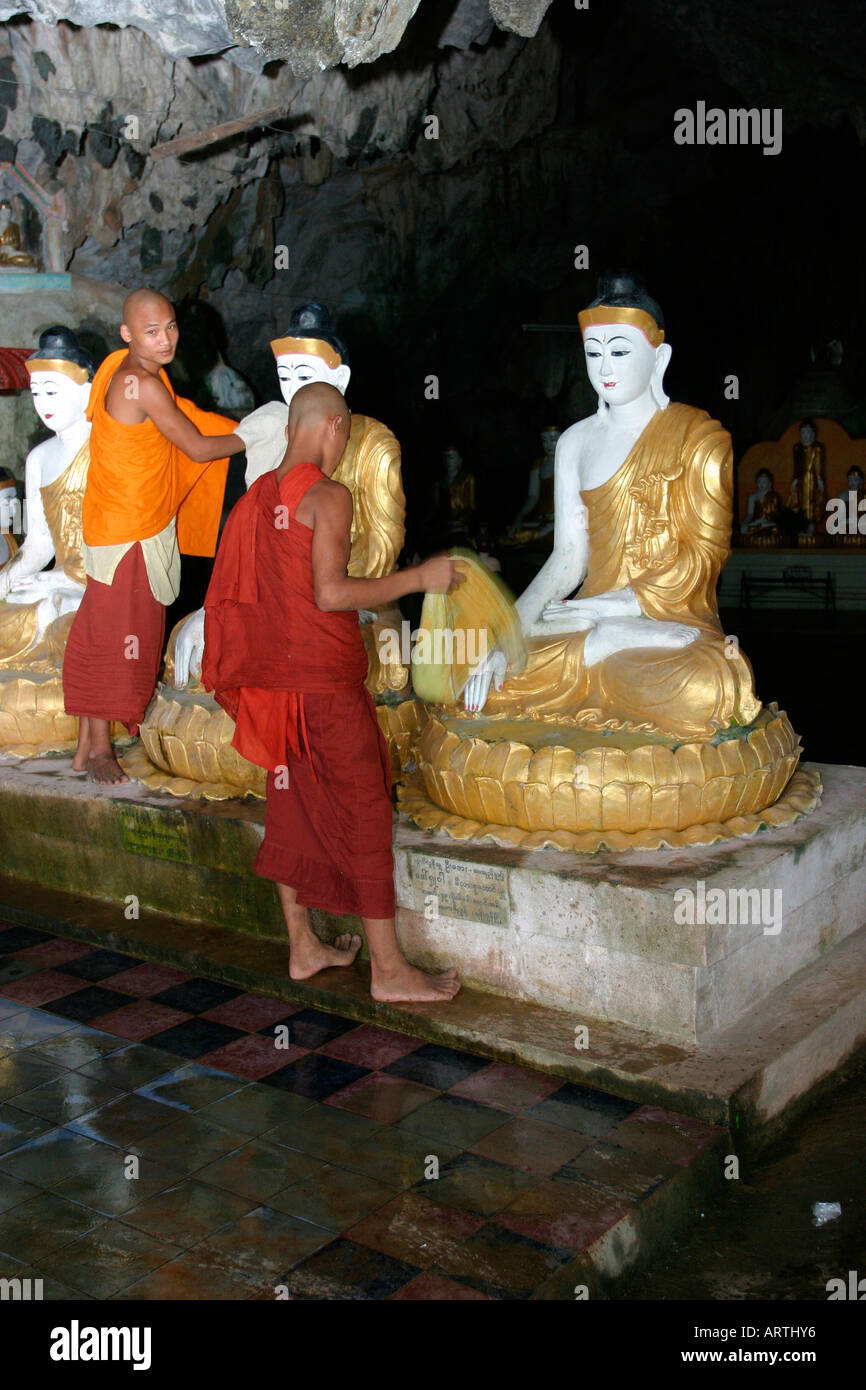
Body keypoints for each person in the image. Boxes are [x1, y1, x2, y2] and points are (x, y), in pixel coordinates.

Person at [203, 381, 462, 1002]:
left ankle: (303, 947)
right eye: (344, 435)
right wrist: (420, 578)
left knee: (290, 810)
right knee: (368, 812)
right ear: (334, 427)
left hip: (280, 692)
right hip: (322, 687)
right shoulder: (328, 496)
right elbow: (330, 594)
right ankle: (390, 972)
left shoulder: (253, 500)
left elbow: (236, 598)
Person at [62, 289, 245, 782]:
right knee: (118, 637)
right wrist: (257, 435)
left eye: (170, 328)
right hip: (130, 532)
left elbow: (176, 421)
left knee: (100, 629)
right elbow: (197, 447)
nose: (165, 340)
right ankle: (101, 750)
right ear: (127, 334)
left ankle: (86, 744)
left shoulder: (116, 366)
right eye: (151, 331)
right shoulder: (139, 383)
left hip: (111, 524)